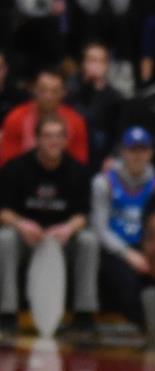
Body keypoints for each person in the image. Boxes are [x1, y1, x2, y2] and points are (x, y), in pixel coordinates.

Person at [0, 116, 97, 341]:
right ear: (37, 140)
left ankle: (84, 317)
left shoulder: (78, 171)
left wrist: (67, 229)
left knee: (89, 241)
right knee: (4, 238)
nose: (53, 141)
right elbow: (3, 211)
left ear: (66, 141)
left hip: (62, 240)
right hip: (26, 238)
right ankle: (6, 315)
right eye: (47, 136)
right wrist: (20, 224)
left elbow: (83, 215)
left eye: (58, 136)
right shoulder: (15, 168)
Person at [92, 126, 155, 342]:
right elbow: (99, 228)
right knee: (125, 281)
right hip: (117, 249)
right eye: (132, 150)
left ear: (150, 153)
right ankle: (147, 324)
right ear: (123, 152)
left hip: (149, 247)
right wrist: (127, 254)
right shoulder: (104, 182)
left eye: (142, 150)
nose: (137, 156)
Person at [0, 70, 90, 167]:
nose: (48, 96)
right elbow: (7, 163)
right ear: (34, 90)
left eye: (54, 91)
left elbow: (80, 164)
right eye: (43, 90)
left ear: (63, 93)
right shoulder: (15, 118)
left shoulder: (76, 122)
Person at [67, 42, 126, 170]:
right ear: (83, 64)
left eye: (101, 61)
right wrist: (88, 84)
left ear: (107, 65)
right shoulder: (71, 90)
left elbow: (119, 133)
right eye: (92, 60)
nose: (96, 65)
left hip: (101, 155)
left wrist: (112, 156)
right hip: (72, 151)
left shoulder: (115, 97)